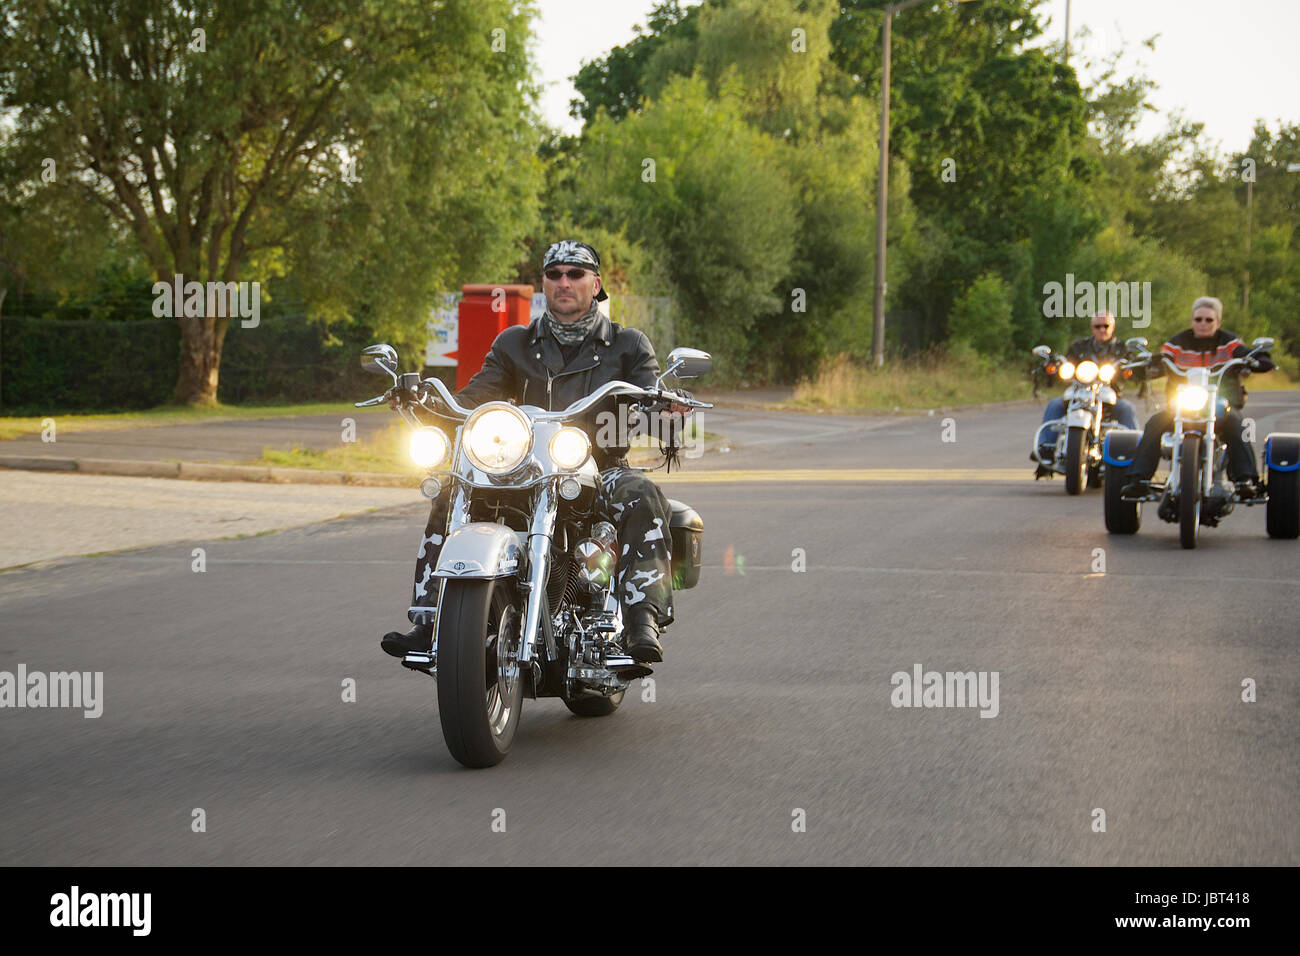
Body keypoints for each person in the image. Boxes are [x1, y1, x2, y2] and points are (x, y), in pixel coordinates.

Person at [381, 240, 678, 664]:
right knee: (452, 490)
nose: (564, 282)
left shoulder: (626, 345)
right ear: (543, 283)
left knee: (640, 493)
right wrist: (424, 404)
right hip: (524, 467)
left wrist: (665, 404)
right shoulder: (515, 344)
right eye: (554, 273)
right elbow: (470, 401)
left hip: (597, 466)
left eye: (575, 274)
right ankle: (431, 619)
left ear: (595, 284)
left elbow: (650, 394)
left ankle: (641, 618)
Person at [1122, 296, 1273, 499]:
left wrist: (1259, 359)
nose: (1203, 324)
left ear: (1218, 322)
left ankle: (1245, 479)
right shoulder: (1178, 343)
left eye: (1209, 320)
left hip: (1220, 405)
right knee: (1155, 422)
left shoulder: (1229, 342)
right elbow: (1163, 358)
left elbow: (1247, 354)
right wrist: (1146, 364)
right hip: (1182, 404)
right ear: (1192, 321)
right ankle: (1138, 478)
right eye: (1198, 319)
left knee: (1239, 424)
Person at [1034, 311, 1139, 465]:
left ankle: (1135, 454)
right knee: (1055, 404)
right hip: (1080, 391)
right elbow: (1067, 362)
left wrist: (1130, 368)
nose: (1102, 329)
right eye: (1098, 326)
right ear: (1092, 328)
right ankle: (1046, 448)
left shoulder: (1121, 348)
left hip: (1110, 392)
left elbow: (1133, 366)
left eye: (1106, 326)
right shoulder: (1079, 346)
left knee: (1126, 408)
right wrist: (1054, 364)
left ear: (1112, 327)